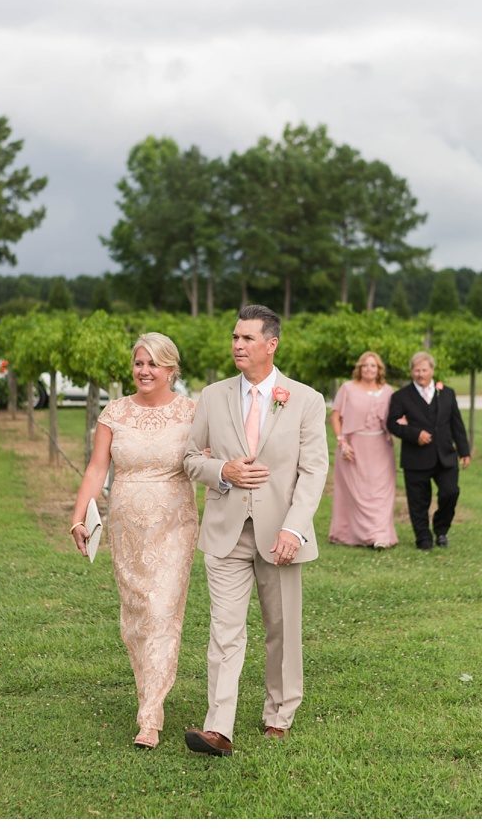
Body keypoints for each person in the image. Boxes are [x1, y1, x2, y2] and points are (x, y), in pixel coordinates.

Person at [181, 305, 326, 756]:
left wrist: (294, 529)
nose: (237, 345)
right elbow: (188, 458)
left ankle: (279, 714)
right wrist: (222, 469)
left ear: (271, 345)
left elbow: (314, 470)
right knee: (224, 630)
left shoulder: (305, 399)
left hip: (279, 534)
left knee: (280, 628)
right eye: (235, 337)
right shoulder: (212, 395)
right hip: (225, 530)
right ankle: (218, 727)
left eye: (247, 338)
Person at [68, 333, 198, 750]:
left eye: (153, 364)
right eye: (139, 363)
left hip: (175, 523)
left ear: (171, 370)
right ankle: (148, 692)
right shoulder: (115, 412)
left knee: (163, 612)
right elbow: (95, 468)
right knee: (138, 616)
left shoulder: (192, 413)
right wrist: (78, 517)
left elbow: (209, 462)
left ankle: (150, 716)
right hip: (126, 526)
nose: (144, 371)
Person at [386, 351, 471, 550]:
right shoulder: (401, 396)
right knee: (418, 501)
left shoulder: (447, 393)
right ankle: (423, 537)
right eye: (416, 370)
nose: (420, 373)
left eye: (424, 370)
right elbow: (392, 423)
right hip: (416, 457)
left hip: (446, 456)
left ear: (432, 370)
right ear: (411, 372)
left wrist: (464, 451)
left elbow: (456, 424)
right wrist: (415, 434)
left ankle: (441, 530)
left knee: (451, 492)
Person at [328, 351, 398, 549]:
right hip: (354, 449)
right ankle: (358, 534)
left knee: (381, 493)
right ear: (360, 368)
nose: (369, 369)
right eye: (366, 365)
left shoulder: (388, 391)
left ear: (379, 370)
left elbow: (397, 418)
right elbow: (335, 417)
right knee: (359, 493)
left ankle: (380, 536)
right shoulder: (347, 389)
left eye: (373, 366)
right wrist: (342, 442)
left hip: (381, 449)